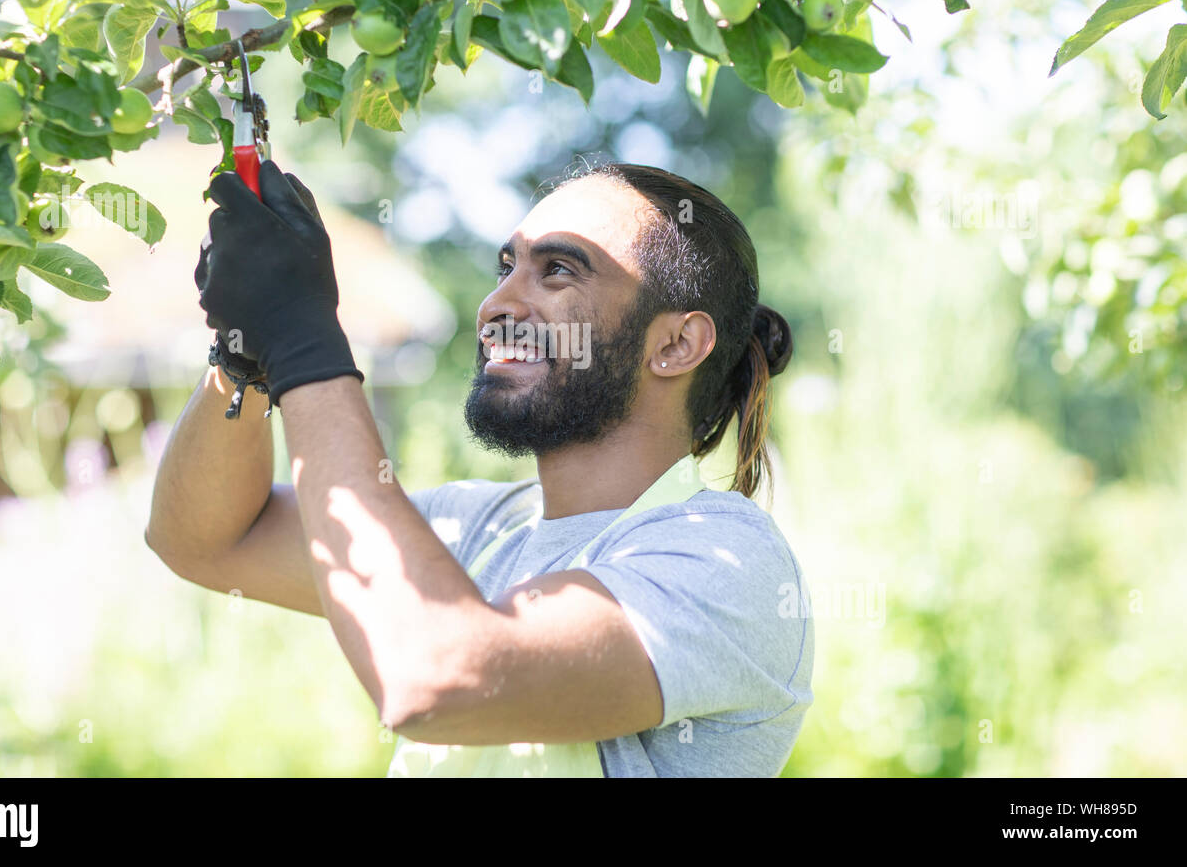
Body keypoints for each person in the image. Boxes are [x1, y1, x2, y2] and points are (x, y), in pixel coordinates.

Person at [145, 158, 813, 777]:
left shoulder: (725, 559)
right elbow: (207, 541)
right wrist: (248, 356)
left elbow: (437, 678)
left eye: (557, 271)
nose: (496, 305)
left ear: (675, 344)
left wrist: (302, 341)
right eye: (506, 268)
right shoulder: (485, 529)